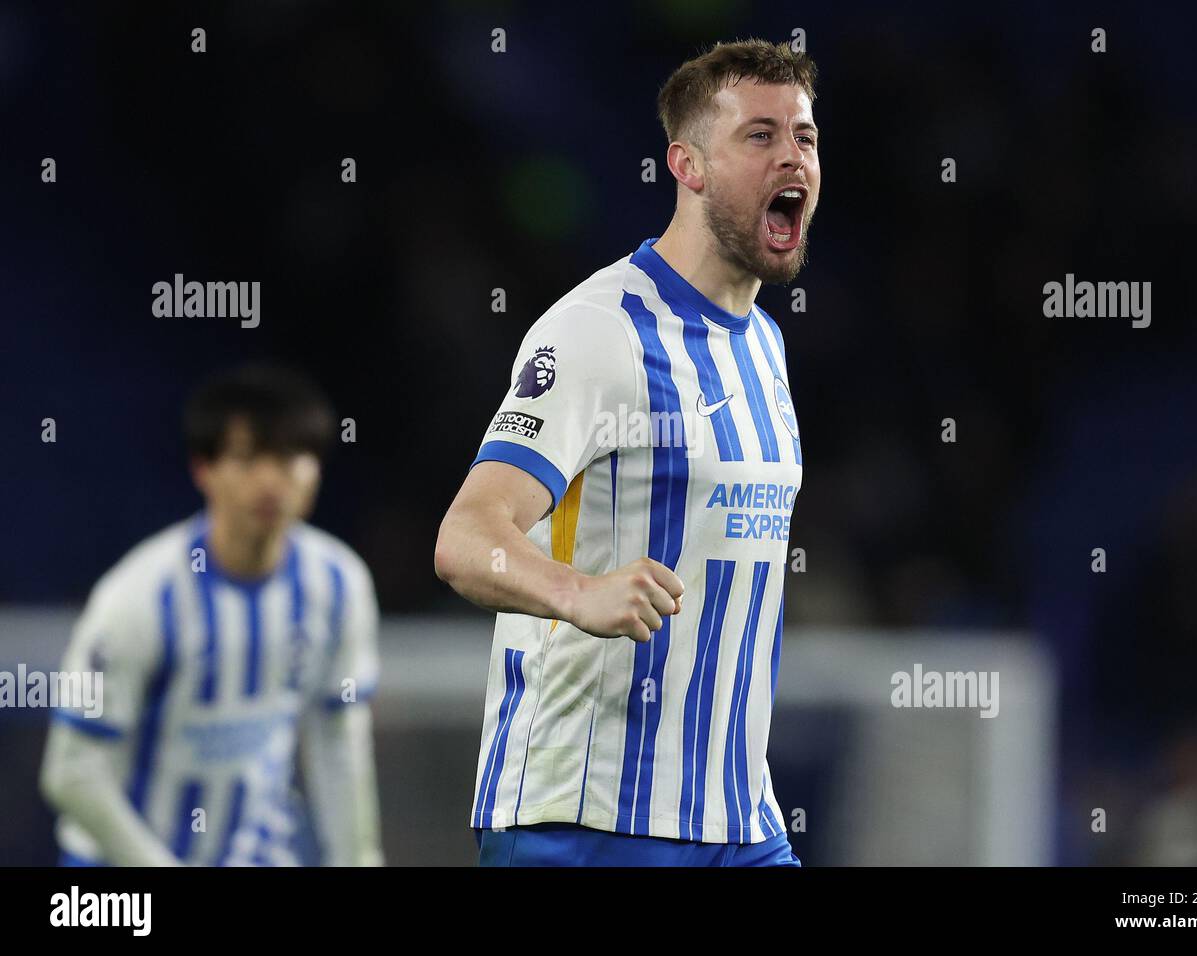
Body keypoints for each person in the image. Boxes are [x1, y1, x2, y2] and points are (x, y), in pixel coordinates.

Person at [435, 38, 819, 866]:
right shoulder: (597, 331)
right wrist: (575, 591)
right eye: (760, 135)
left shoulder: (766, 348)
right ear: (688, 165)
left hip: (738, 821)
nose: (793, 155)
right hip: (587, 818)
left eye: (805, 137)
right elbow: (467, 539)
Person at [40, 364, 383, 866]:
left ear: (317, 469)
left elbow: (337, 739)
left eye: (289, 457)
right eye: (246, 459)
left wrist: (360, 860)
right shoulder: (138, 597)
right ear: (203, 469)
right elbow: (71, 773)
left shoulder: (339, 584)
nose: (269, 481)